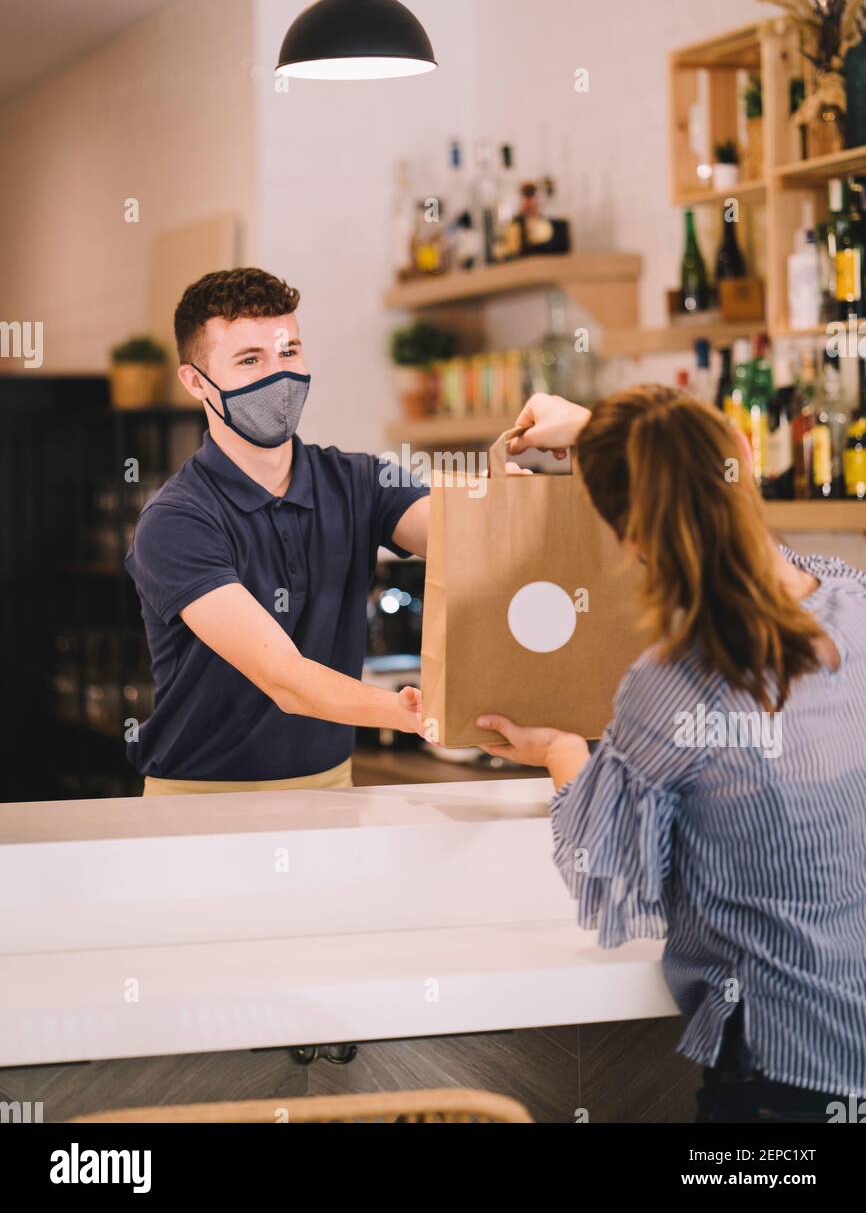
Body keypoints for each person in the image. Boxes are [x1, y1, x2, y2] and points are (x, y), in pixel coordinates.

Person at [477, 386, 866, 1123]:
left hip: (782, 1073)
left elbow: (610, 875)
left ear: (629, 541)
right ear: (747, 458)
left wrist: (564, 754)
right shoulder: (851, 603)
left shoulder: (676, 683)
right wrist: (605, 439)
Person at [124, 267, 431, 795]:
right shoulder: (176, 520)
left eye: (288, 352)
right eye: (250, 360)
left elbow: (462, 542)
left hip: (332, 789)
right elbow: (284, 678)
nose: (279, 376)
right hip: (199, 803)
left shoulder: (360, 481)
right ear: (196, 381)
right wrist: (415, 714)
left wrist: (503, 506)